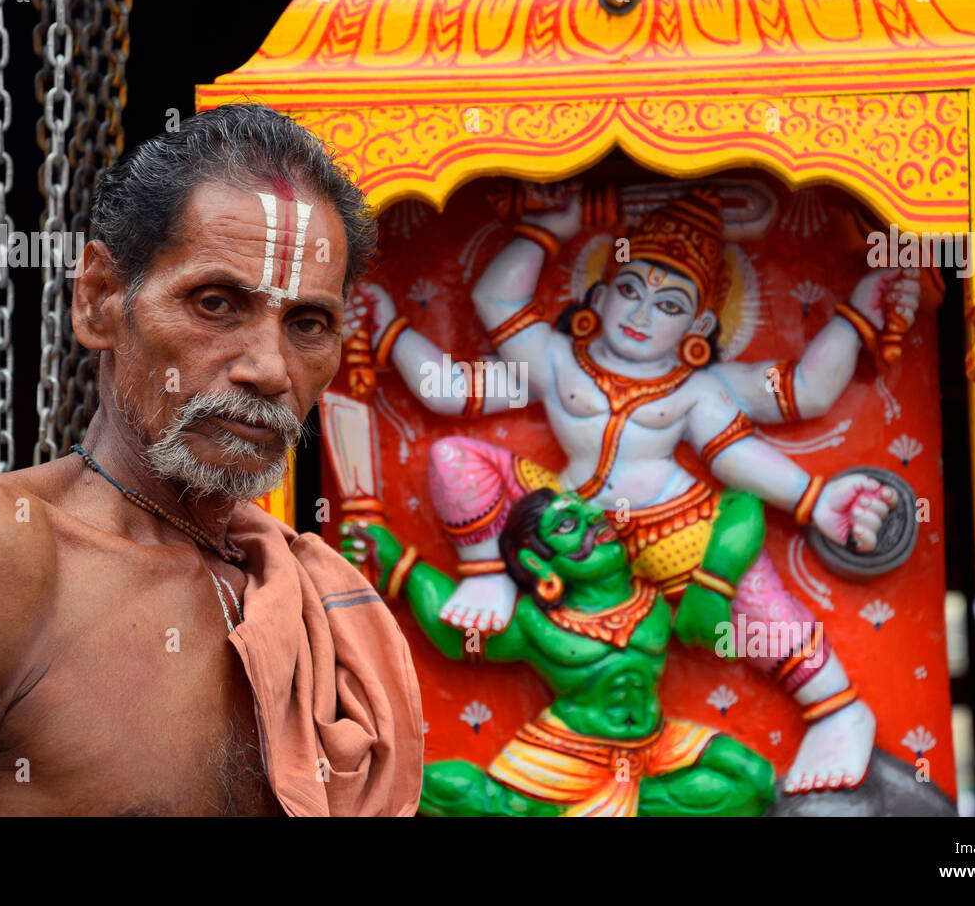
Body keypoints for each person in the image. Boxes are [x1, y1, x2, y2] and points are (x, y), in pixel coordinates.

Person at [0, 103, 423, 816]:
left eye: (308, 323)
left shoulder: (305, 596)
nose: (269, 367)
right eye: (216, 303)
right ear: (101, 299)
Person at [352, 183, 920, 794]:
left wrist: (815, 491)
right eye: (630, 291)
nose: (643, 316)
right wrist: (396, 331)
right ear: (598, 294)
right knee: (453, 459)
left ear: (701, 322)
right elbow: (461, 364)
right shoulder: (556, 360)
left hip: (673, 527)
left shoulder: (698, 388)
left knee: (757, 609)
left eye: (670, 305)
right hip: (568, 520)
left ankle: (837, 709)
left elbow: (799, 397)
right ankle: (488, 572)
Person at [341, 488, 775, 816]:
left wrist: (716, 594)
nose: (594, 518)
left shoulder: (657, 596)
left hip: (656, 743)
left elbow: (744, 504)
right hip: (570, 751)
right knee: (442, 788)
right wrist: (402, 566)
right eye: (569, 525)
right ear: (538, 564)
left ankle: (602, 807)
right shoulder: (536, 622)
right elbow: (456, 637)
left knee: (756, 782)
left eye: (588, 510)